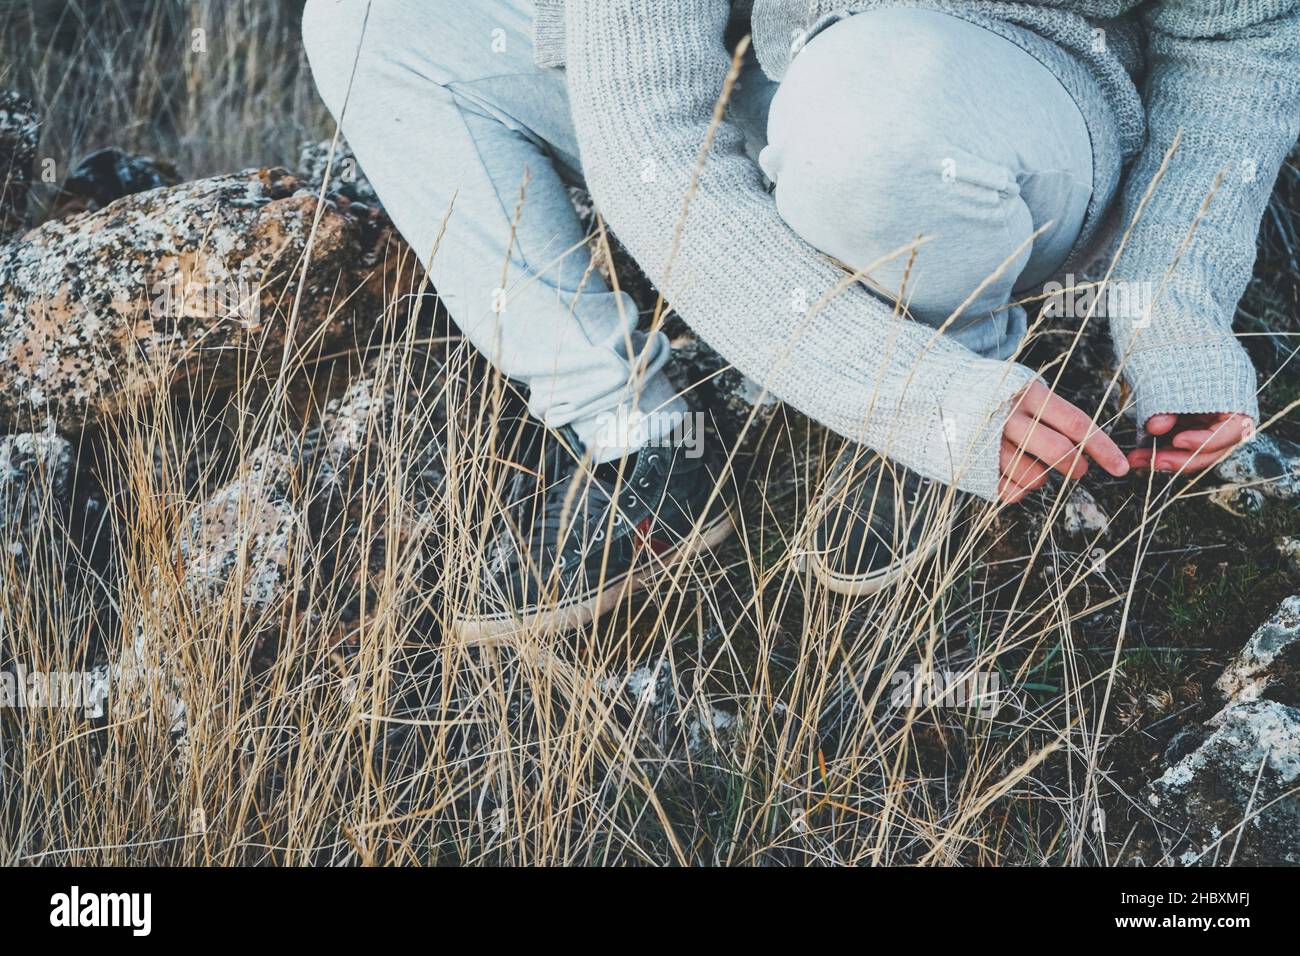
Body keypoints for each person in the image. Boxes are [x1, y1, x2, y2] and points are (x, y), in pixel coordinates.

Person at [301, 0, 1298, 635]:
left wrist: (1176, 324)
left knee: (868, 118)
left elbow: (1241, 41)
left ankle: (957, 362)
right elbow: (645, 121)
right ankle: (634, 432)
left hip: (1013, 99)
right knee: (374, 21)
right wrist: (899, 392)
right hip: (781, 73)